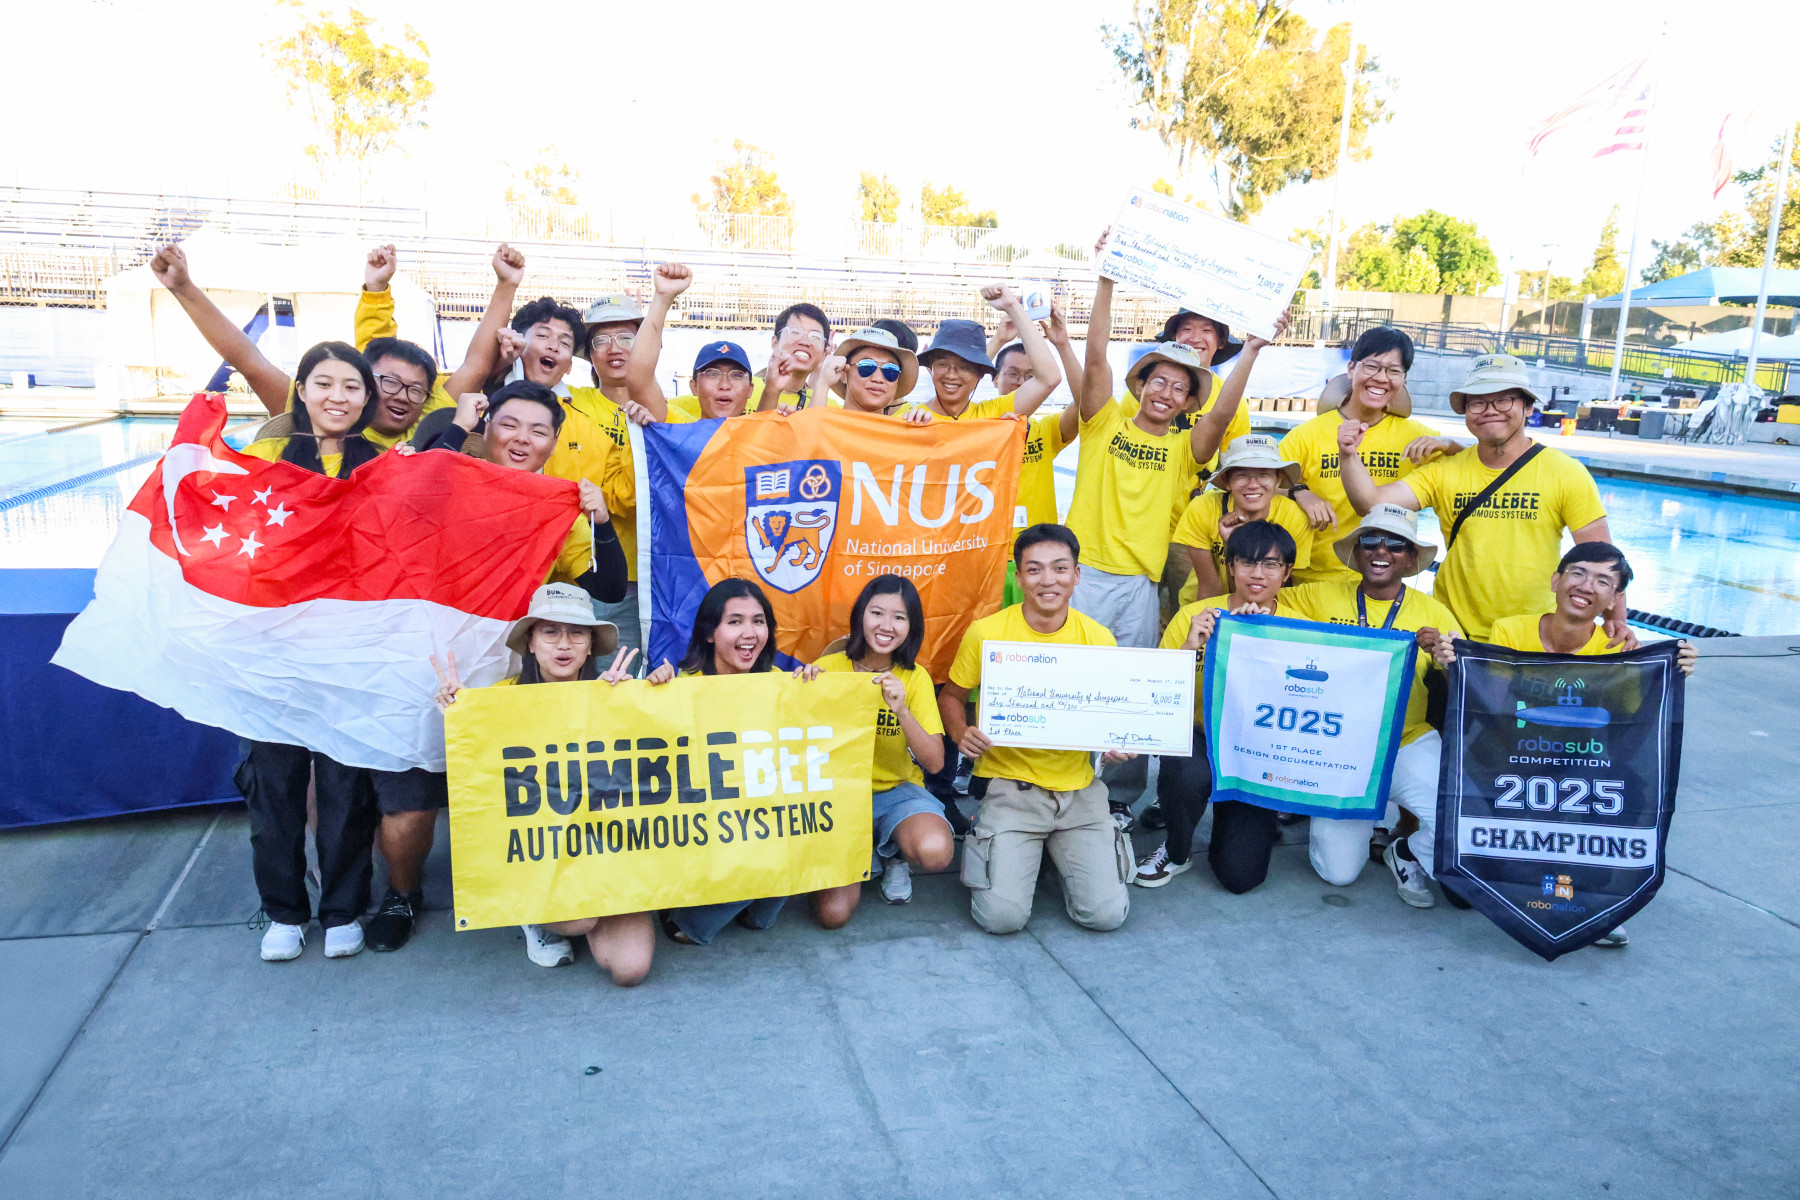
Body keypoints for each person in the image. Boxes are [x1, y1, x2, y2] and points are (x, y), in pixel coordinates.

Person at [1067, 316, 1281, 830]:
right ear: (1139, 385)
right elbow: (1094, 359)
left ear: (1189, 404)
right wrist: (1106, 280)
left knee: (1135, 691)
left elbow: (1224, 412)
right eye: (1157, 380)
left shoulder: (1185, 453)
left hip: (1139, 585)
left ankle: (1119, 797)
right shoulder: (1103, 424)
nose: (1166, 392)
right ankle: (1063, 780)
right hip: (1085, 578)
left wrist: (1250, 349)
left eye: (1180, 388)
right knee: (1073, 684)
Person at [1451, 541, 1694, 947]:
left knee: (1631, 788)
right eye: (1578, 572)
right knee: (1460, 899)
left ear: (1615, 600)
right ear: (1556, 580)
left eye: (1603, 581)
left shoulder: (1616, 650)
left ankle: (1592, 902)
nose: (1586, 585)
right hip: (1508, 755)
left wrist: (1674, 670)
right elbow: (1489, 707)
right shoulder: (1511, 629)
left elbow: (1635, 722)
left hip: (1578, 766)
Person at [234, 341, 388, 962]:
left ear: (365, 399)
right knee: (275, 786)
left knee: (345, 784)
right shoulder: (265, 457)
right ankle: (284, 912)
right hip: (277, 647)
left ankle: (344, 907)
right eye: (324, 384)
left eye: (351, 387)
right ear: (301, 390)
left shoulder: (384, 465)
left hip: (351, 648)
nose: (337, 397)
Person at [429, 584, 651, 983]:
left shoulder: (615, 693)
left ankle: (593, 904)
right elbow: (479, 794)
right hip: (541, 852)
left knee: (631, 968)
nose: (563, 644)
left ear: (590, 646)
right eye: (550, 632)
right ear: (530, 643)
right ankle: (533, 914)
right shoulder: (497, 701)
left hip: (609, 850)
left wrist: (645, 699)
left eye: (576, 633)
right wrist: (461, 716)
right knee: (580, 918)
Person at [1336, 353, 1622, 642]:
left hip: (1532, 637)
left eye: (1503, 400)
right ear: (1466, 411)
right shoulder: (1445, 471)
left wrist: (1617, 620)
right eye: (1478, 402)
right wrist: (1348, 453)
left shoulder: (1564, 473)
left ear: (1527, 407)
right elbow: (1370, 504)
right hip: (1454, 636)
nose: (1490, 410)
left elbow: (1604, 560)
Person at [939, 524, 1133, 935]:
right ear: (1019, 575)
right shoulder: (987, 633)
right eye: (1035, 569)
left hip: (1079, 793)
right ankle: (1019, 849)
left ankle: (1051, 854)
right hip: (1012, 789)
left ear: (1077, 575)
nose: (1049, 580)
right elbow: (951, 697)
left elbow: (1110, 717)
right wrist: (960, 733)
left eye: (1060, 569)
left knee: (1105, 915)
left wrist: (1115, 743)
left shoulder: (1098, 639)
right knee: (1001, 918)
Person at [148, 241, 518, 448]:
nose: (402, 396)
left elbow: (475, 366)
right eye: (388, 383)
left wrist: (505, 286)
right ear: (363, 385)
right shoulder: (317, 414)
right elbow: (249, 360)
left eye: (416, 389)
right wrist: (184, 289)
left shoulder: (427, 419)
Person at [1279, 505, 1461, 906]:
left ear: (1411, 557)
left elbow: (1467, 687)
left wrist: (1448, 661)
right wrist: (1250, 609)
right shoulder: (1317, 595)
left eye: (1396, 543)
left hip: (1406, 743)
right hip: (1339, 749)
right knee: (1337, 874)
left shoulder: (1432, 613)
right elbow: (1265, 608)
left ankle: (1406, 851)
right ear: (1356, 552)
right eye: (1370, 541)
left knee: (1460, 825)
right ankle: (1349, 818)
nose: (1382, 550)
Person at [646, 579, 836, 944]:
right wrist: (648, 694)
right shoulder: (681, 687)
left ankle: (745, 904)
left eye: (758, 621)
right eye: (735, 622)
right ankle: (688, 913)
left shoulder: (783, 684)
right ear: (709, 633)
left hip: (761, 819)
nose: (750, 633)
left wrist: (817, 695)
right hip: (704, 828)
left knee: (789, 847)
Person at [1134, 520, 1303, 891]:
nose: (1257, 575)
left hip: (1258, 748)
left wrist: (1264, 643)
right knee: (1185, 772)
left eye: (1271, 565)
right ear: (1230, 567)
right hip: (1200, 734)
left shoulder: (1300, 627)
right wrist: (1191, 645)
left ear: (1287, 572)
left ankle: (1252, 823)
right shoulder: (1196, 616)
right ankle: (1177, 849)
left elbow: (1304, 700)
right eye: (1246, 563)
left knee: (1240, 877)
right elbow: (1156, 691)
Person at [815, 575, 955, 905]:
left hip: (897, 792)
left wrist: (903, 711)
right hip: (840, 797)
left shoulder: (915, 677)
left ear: (912, 626)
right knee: (832, 914)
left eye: (899, 617)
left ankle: (896, 855)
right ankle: (869, 849)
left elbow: (935, 762)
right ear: (860, 615)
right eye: (877, 613)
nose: (886, 625)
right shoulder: (826, 669)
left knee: (935, 851)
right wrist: (804, 690)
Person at [1277, 327, 1459, 577]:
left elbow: (1475, 466)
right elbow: (1259, 483)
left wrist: (1450, 444)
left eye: (1394, 370)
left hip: (1383, 583)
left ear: (1404, 378)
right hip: (1315, 577)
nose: (1381, 378)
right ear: (1351, 369)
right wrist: (1300, 492)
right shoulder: (1306, 435)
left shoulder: (1418, 437)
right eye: (1372, 366)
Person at [623, 263, 805, 421]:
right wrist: (663, 298)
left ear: (750, 389)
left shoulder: (753, 437)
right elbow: (639, 377)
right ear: (693, 386)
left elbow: (761, 430)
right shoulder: (678, 429)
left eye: (736, 375)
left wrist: (773, 391)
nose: (724, 384)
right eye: (712, 373)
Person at [1171, 433, 1315, 606]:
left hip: (1263, 609)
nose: (1253, 484)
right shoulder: (1203, 508)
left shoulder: (1294, 517)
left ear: (1278, 480)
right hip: (1205, 605)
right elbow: (1210, 586)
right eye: (1241, 475)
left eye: (1264, 474)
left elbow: (1280, 588)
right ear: (1227, 481)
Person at [908, 287, 1061, 421]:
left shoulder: (994, 415)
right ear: (930, 367)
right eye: (942, 364)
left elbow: (1049, 378)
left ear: (981, 373)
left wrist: (1013, 308)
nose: (951, 375)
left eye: (963, 367)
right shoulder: (909, 419)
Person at [815, 327, 934, 423]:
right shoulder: (826, 426)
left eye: (890, 370)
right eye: (866, 366)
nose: (878, 378)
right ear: (844, 374)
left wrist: (925, 432)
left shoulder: (906, 434)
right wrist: (822, 383)